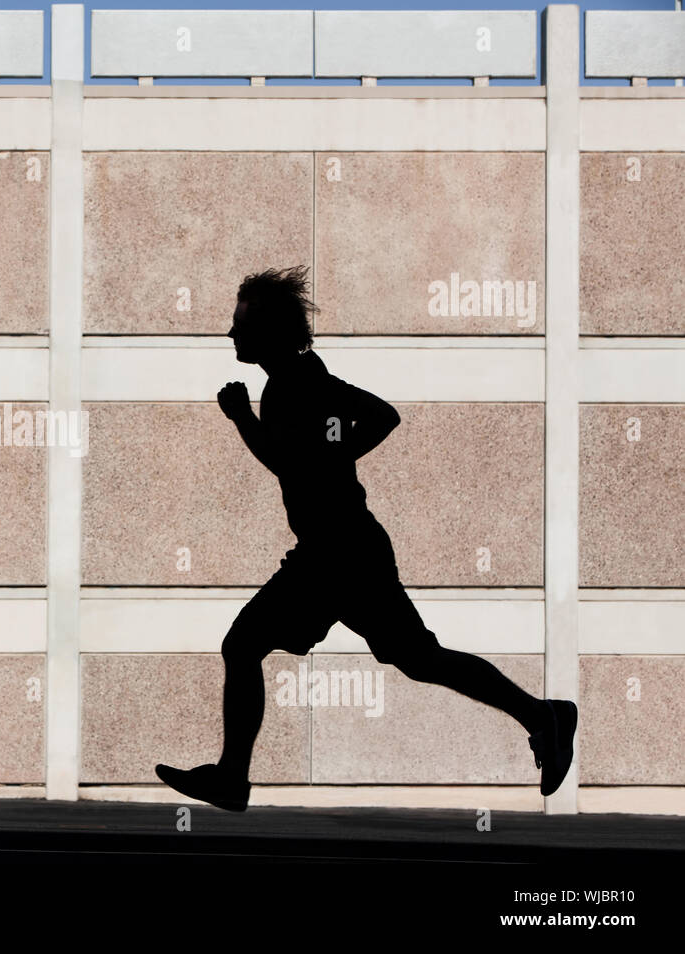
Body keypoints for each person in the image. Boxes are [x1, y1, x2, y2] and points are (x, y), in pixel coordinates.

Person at [155, 265, 577, 812]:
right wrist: (332, 457)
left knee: (243, 645)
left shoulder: (293, 387)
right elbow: (369, 422)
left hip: (336, 555)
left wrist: (241, 420)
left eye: (241, 325)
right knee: (421, 660)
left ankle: (233, 777)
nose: (231, 335)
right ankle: (542, 715)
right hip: (346, 551)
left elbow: (301, 455)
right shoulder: (301, 380)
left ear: (272, 331)